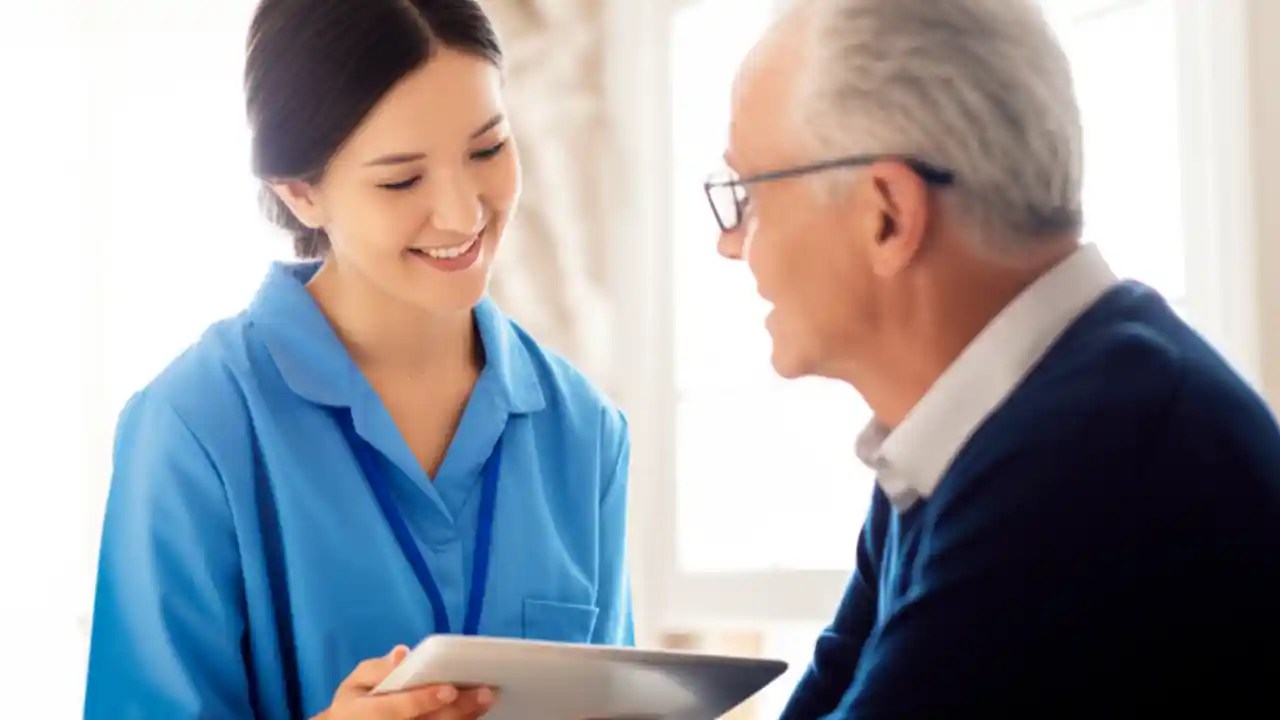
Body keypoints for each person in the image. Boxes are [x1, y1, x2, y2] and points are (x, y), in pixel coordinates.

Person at [709, 0, 1280, 715]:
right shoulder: (967, 436)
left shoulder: (1096, 456)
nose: (731, 243)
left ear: (886, 214)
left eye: (749, 197)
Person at [84, 1, 633, 718]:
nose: (463, 214)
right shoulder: (194, 428)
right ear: (299, 191)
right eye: (402, 180)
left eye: (489, 149)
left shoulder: (584, 432)